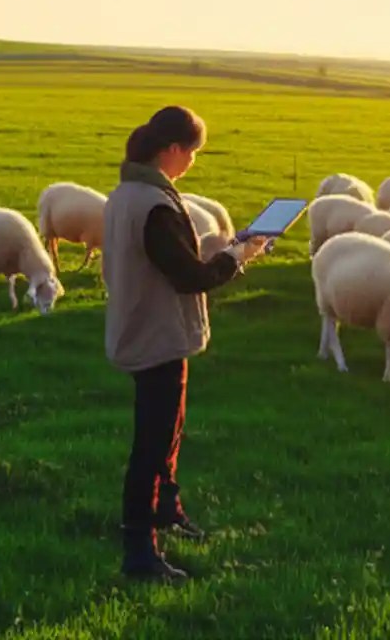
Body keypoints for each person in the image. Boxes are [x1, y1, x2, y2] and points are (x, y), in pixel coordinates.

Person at [101, 105, 269, 582]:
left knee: (167, 431)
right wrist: (236, 256)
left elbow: (163, 260)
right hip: (155, 332)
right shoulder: (154, 205)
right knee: (152, 442)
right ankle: (139, 551)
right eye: (192, 152)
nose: (193, 162)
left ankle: (166, 510)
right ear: (172, 150)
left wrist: (231, 250)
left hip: (145, 326)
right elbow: (189, 276)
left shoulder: (127, 193)